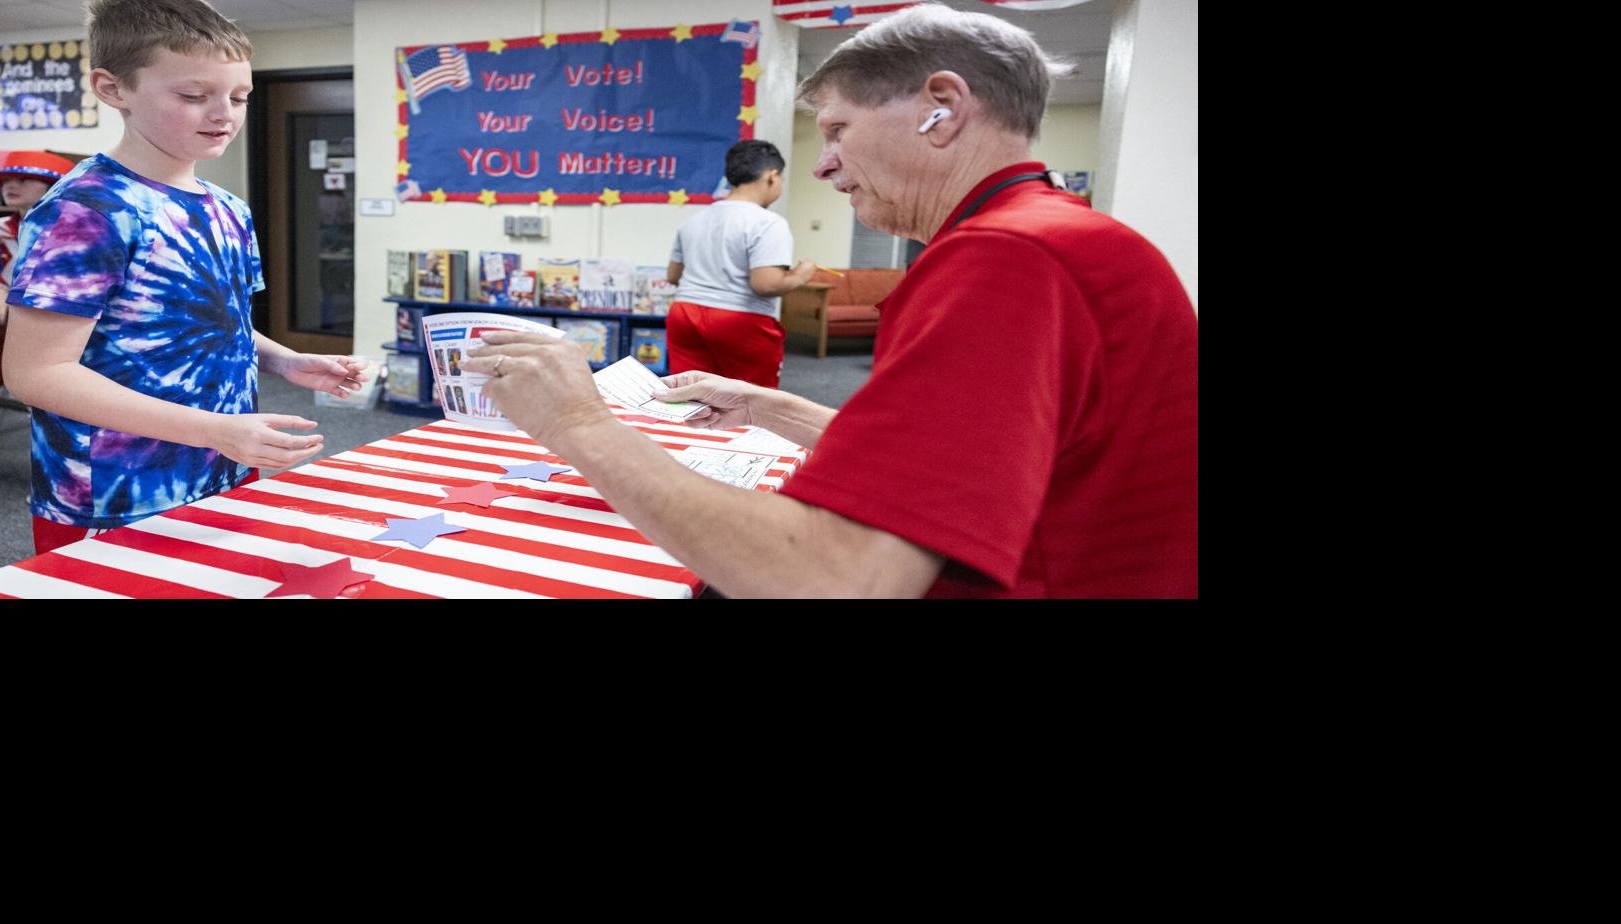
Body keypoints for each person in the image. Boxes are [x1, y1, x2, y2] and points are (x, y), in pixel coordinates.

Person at [464, 2, 1197, 597]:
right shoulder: (1050, 234)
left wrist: (576, 422)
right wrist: (768, 406)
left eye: (839, 129)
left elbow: (835, 579)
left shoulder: (1006, 255)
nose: (824, 162)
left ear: (940, 107)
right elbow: (964, 459)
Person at [1, 0, 367, 555]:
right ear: (112, 87)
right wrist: (215, 430)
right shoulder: (86, 212)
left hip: (222, 465)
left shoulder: (228, 208)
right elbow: (36, 373)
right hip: (115, 489)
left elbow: (213, 323)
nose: (224, 114)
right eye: (193, 96)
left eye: (239, 97)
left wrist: (284, 361)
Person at [663, 139, 817, 388]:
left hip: (685, 314)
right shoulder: (768, 222)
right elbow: (766, 285)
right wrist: (802, 274)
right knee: (752, 403)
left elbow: (672, 275)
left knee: (690, 395)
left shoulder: (694, 220)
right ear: (772, 176)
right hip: (740, 320)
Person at [0, 151, 78, 388]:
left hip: (61, 321)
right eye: (5, 181)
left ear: (52, 185)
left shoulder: (77, 230)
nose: (10, 186)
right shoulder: (1, 230)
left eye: (23, 180)